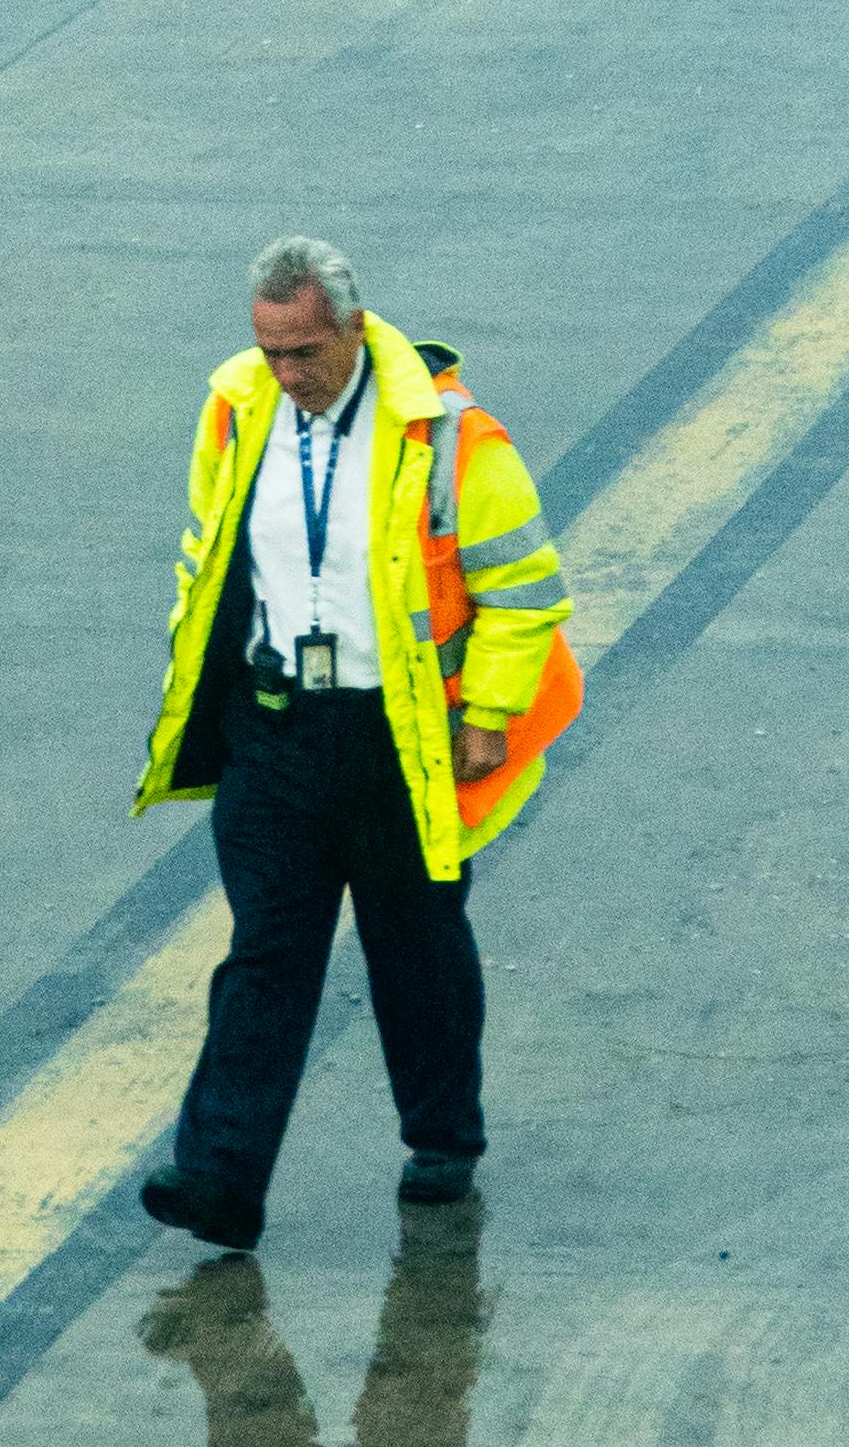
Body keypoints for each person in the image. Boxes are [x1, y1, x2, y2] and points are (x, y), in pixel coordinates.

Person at [132, 235, 578, 1249]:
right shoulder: (238, 407)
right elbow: (205, 552)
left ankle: (441, 1138)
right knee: (263, 959)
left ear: (351, 328)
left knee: (414, 950)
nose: (285, 375)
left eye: (302, 353)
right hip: (277, 730)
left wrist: (488, 714)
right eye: (269, 350)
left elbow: (525, 590)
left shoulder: (453, 438)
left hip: (396, 743)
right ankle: (218, 1178)